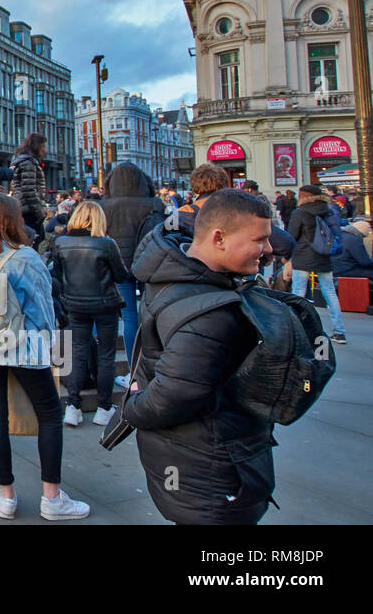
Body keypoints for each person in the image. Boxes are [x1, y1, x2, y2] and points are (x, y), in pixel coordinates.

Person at [127, 189, 282, 524]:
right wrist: (132, 408)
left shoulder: (172, 270)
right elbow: (176, 394)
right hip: (210, 464)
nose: (268, 250)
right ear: (219, 238)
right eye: (260, 240)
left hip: (188, 456)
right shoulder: (210, 313)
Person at [0, 192, 88, 521]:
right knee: (50, 414)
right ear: (14, 220)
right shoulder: (26, 257)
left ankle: (6, 495)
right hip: (23, 344)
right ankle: (52, 498)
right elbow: (42, 308)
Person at [49, 200, 126, 427]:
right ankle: (104, 407)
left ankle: (73, 406)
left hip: (75, 304)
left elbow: (59, 274)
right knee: (106, 355)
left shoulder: (61, 242)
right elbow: (121, 276)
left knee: (77, 353)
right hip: (105, 304)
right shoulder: (107, 243)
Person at [99, 161, 165, 379]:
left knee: (128, 317)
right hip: (150, 263)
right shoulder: (154, 203)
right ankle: (154, 363)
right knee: (151, 314)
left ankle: (133, 368)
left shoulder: (105, 205)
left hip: (120, 265)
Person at [287, 184, 347, 344]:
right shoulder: (328, 210)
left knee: (298, 291)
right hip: (324, 256)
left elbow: (291, 236)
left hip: (303, 255)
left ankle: (296, 328)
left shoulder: (300, 212)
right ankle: (339, 331)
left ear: (304, 196)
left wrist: (286, 256)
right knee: (330, 292)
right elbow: (336, 232)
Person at [10, 133, 49, 241]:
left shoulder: (22, 160)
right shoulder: (29, 163)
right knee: (35, 238)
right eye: (43, 146)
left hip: (23, 207)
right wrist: (39, 212)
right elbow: (29, 190)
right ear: (37, 146)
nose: (44, 149)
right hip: (29, 209)